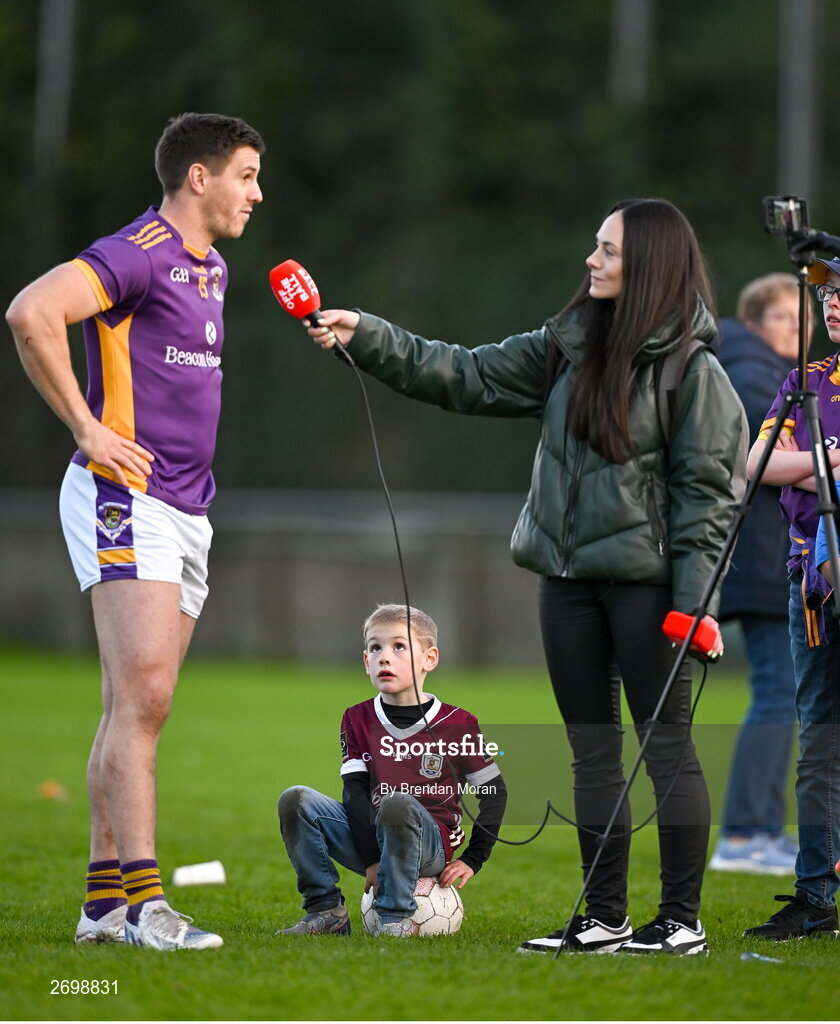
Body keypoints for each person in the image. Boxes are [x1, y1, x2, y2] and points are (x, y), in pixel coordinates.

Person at [304, 198, 744, 955]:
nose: (591, 261)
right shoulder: (564, 346)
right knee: (592, 751)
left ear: (648, 267)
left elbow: (711, 495)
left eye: (606, 251)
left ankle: (680, 922)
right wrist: (367, 335)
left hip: (652, 594)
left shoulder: (693, 370)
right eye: (595, 247)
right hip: (564, 584)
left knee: (665, 748)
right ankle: (603, 917)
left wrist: (692, 604)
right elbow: (463, 373)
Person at [5, 112, 264, 951]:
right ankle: (151, 906)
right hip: (127, 499)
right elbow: (31, 312)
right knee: (144, 700)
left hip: (189, 510)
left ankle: (101, 909)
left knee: (133, 704)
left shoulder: (214, 268)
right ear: (200, 176)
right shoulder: (139, 251)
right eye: (246, 176)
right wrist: (85, 428)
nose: (256, 193)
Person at [277, 603, 507, 937]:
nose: (385, 656)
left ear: (430, 658)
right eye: (375, 647)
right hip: (372, 836)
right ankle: (326, 910)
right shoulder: (357, 718)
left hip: (430, 848)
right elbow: (354, 791)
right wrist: (371, 858)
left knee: (397, 802)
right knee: (296, 800)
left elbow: (495, 791)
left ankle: (394, 917)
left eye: (399, 646)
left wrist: (474, 857)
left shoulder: (458, 723)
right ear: (366, 661)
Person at [745, 254, 840, 940]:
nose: (832, 305)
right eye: (828, 294)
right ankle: (816, 894)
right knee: (819, 740)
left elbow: (783, 468)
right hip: (811, 580)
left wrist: (802, 470)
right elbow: (754, 465)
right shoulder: (806, 382)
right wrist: (829, 465)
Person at [709, 274, 809, 876]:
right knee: (779, 690)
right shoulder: (751, 372)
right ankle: (747, 835)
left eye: (803, 323)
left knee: (782, 691)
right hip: (764, 556)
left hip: (763, 555)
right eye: (785, 321)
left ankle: (758, 831)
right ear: (755, 322)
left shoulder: (752, 367)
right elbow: (764, 457)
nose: (797, 334)